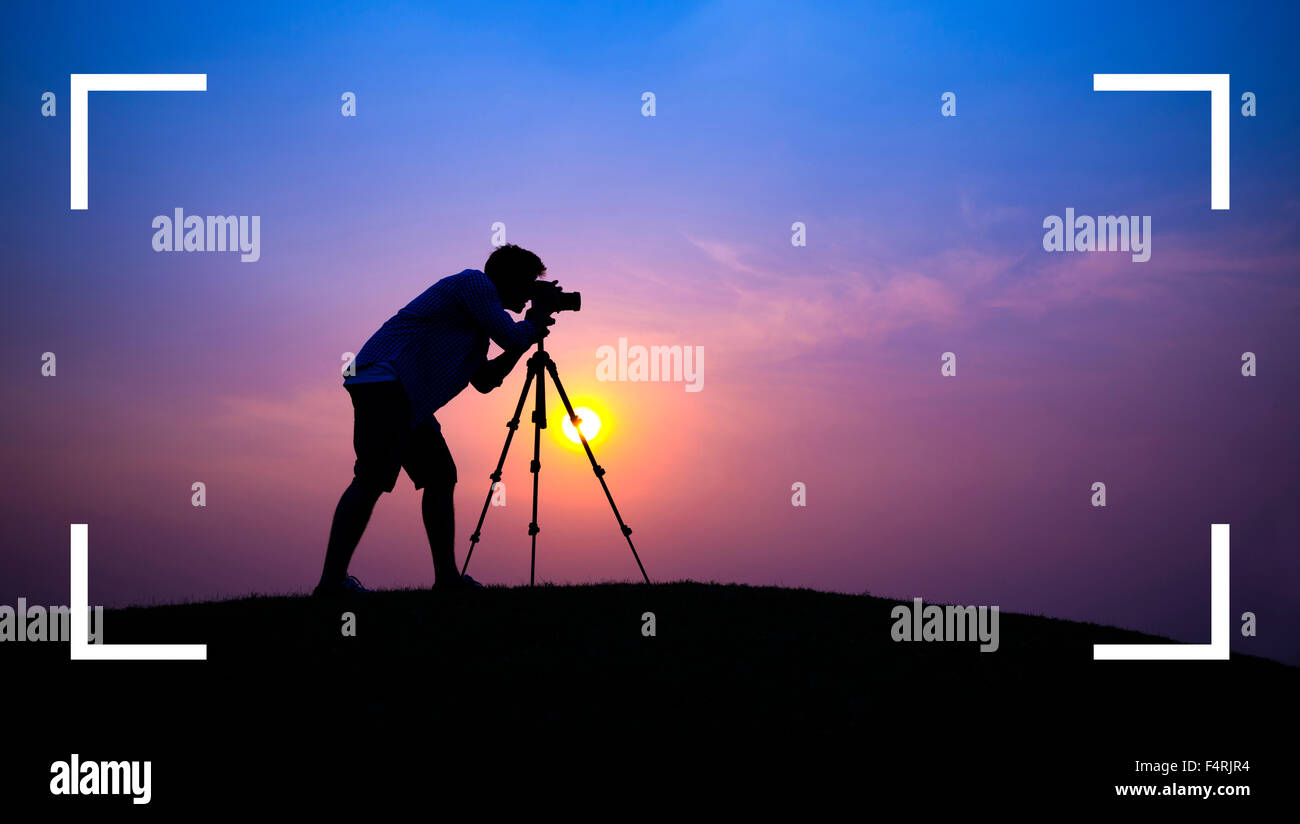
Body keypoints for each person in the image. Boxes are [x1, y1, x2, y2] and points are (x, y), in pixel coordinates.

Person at [314, 244, 555, 596]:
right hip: (384, 380)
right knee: (371, 479)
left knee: (440, 476)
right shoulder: (476, 284)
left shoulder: (477, 324)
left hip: (403, 395)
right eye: (528, 284)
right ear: (509, 279)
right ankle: (331, 584)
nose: (530, 293)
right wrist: (531, 325)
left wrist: (527, 334)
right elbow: (512, 335)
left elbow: (485, 380)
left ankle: (447, 580)